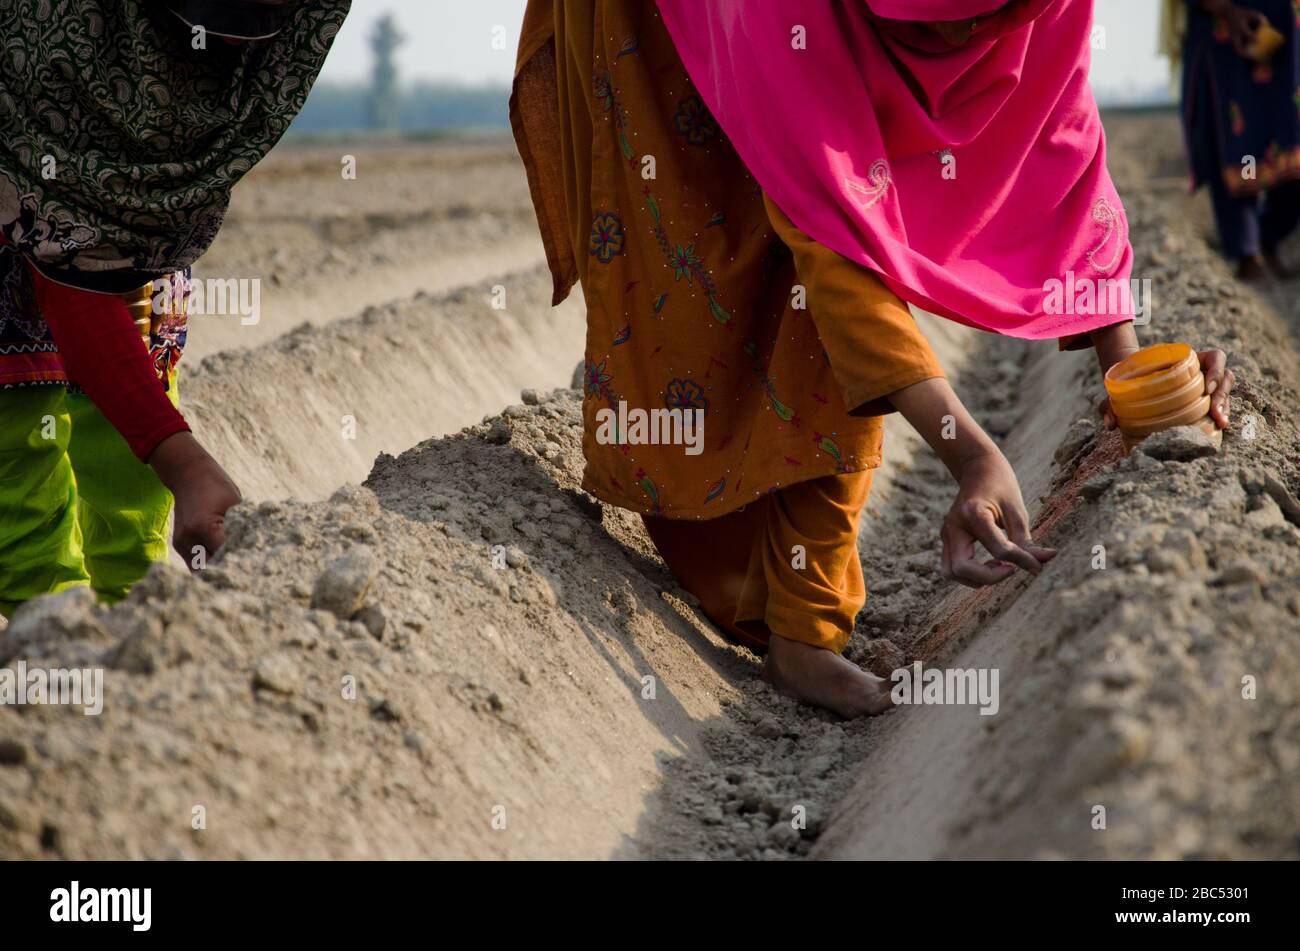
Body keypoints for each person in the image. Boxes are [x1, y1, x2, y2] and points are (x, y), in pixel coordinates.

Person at [512, 0, 1234, 718]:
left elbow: (1062, 132)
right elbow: (838, 249)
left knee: (821, 241)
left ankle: (800, 610)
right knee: (737, 270)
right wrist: (971, 454)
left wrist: (1133, 378)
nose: (965, 41)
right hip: (667, 23)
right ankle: (798, 630)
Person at [0, 0, 350, 617]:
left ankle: (132, 617)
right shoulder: (44, 48)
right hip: (18, 167)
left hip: (137, 228)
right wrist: (186, 465)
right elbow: (75, 279)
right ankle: (53, 644)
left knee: (125, 443)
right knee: (19, 436)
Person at [1164, 0, 1300, 279]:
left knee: (1291, 140)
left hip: (1286, 33)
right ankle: (1246, 252)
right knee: (1233, 143)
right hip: (1225, 32)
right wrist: (1229, 11)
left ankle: (1268, 238)